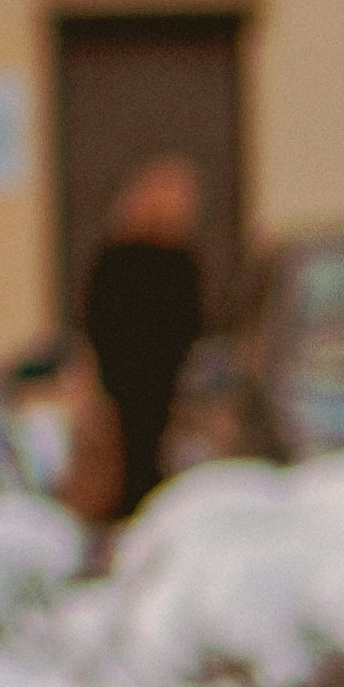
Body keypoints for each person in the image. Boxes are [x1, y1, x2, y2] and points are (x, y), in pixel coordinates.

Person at [80, 155, 213, 517]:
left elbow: (97, 315)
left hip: (138, 368)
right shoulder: (170, 259)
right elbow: (191, 317)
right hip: (145, 368)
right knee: (143, 439)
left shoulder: (121, 256)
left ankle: (136, 501)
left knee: (139, 440)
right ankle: (141, 501)